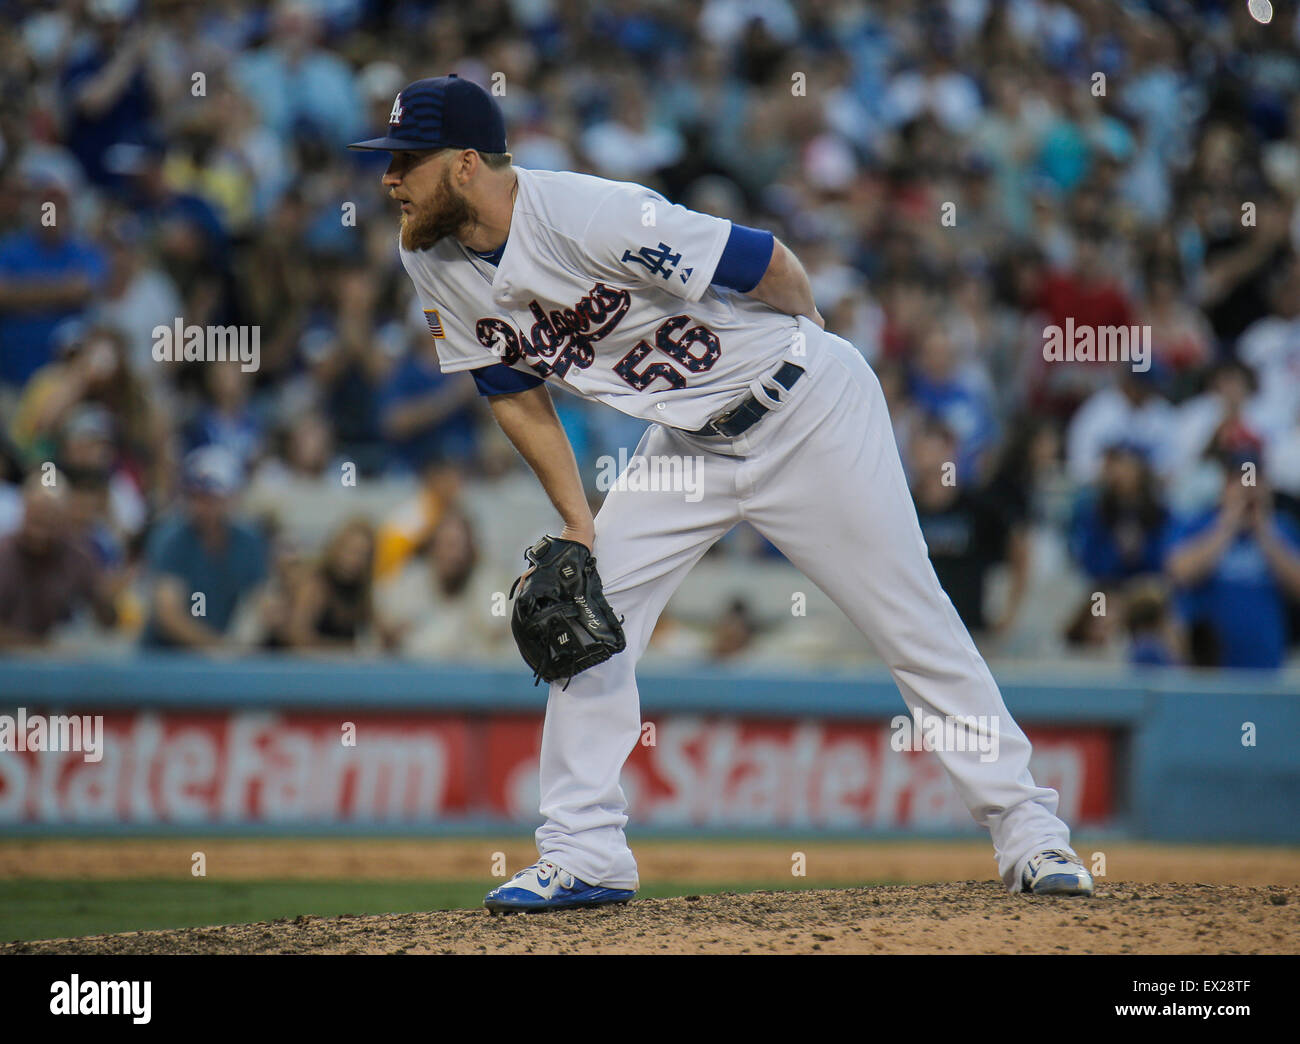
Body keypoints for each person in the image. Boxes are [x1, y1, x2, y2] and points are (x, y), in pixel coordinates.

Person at [350, 75, 1094, 912]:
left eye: (404, 161)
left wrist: (808, 354)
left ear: (461, 165)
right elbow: (508, 386)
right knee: (588, 614)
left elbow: (769, 262)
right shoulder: (429, 254)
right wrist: (576, 522)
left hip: (805, 407)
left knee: (911, 618)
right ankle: (584, 852)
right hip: (687, 446)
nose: (388, 179)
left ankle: (1030, 834)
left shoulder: (590, 215)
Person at [140, 446, 268, 650]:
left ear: (231, 498)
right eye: (195, 497)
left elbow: (260, 601)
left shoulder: (248, 541)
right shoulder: (170, 538)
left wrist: (243, 644)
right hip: (166, 658)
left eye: (211, 498)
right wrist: (220, 648)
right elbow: (168, 614)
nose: (202, 507)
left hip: (221, 660)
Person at [0, 473, 117, 647]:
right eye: (36, 519)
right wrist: (42, 648)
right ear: (24, 511)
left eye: (49, 519)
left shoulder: (77, 558)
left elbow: (107, 620)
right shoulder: (4, 555)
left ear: (63, 518)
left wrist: (108, 600)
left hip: (46, 660)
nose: (40, 531)